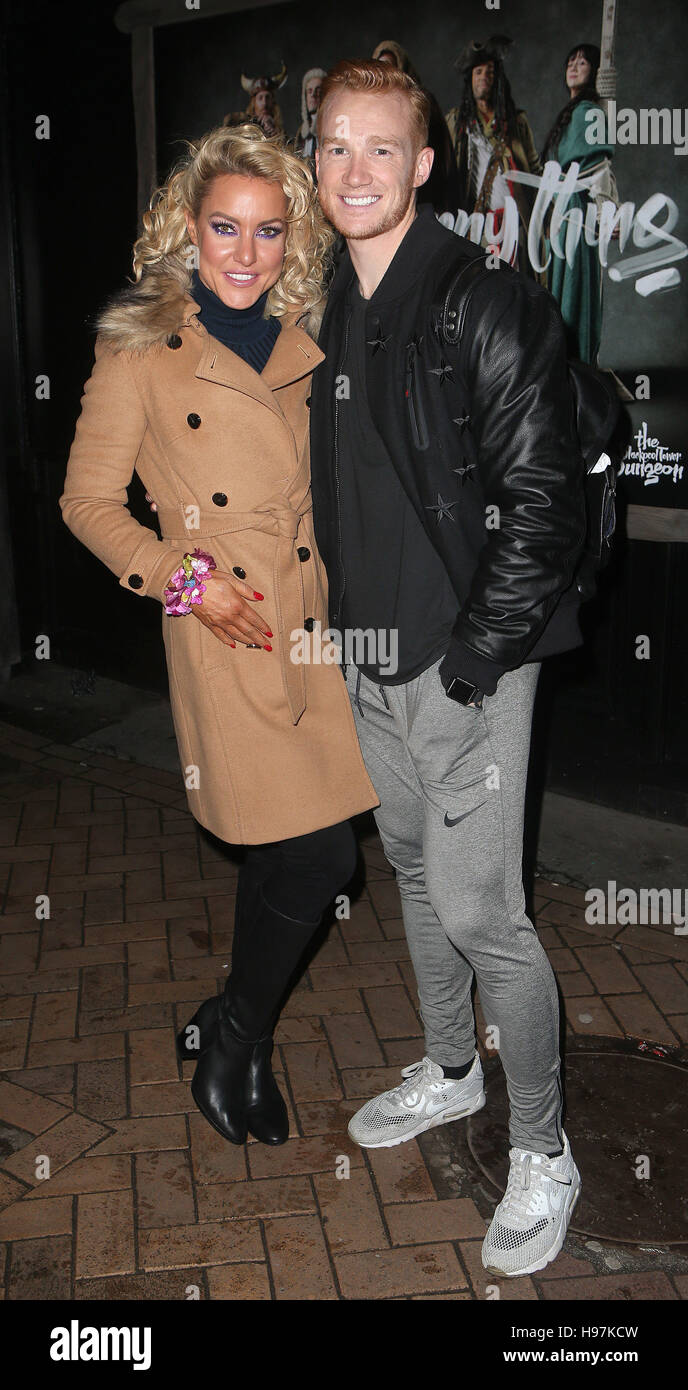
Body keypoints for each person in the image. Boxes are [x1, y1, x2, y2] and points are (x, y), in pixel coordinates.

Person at [310, 58, 586, 1278]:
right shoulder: (327, 299)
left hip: (467, 664)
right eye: (333, 147)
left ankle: (546, 1150)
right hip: (370, 664)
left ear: (424, 165)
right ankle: (449, 1067)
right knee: (416, 877)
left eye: (380, 149)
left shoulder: (483, 299)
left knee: (487, 914)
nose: (354, 171)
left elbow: (540, 505)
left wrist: (473, 664)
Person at [60, 123, 379, 1149]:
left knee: (308, 858)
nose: (245, 254)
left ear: (293, 241)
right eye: (224, 229)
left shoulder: (303, 339)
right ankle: (236, 1037)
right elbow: (87, 501)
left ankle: (226, 1026)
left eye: (269, 231)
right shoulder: (138, 347)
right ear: (186, 230)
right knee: (320, 854)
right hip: (228, 623)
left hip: (312, 622)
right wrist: (180, 579)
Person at [542, 44, 617, 363]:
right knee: (559, 286)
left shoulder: (589, 112)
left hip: (577, 211)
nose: (574, 66)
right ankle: (562, 365)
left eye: (583, 62)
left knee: (575, 287)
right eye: (570, 61)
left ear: (594, 72)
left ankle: (577, 366)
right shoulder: (573, 112)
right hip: (560, 210)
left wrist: (606, 211)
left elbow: (599, 169)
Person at [445, 36, 542, 275]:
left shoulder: (516, 122)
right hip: (476, 222)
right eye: (478, 72)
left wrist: (544, 216)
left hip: (513, 221)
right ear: (470, 80)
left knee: (515, 287)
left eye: (489, 72)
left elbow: (535, 171)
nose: (484, 78)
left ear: (498, 79)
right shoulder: (456, 122)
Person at [371, 41, 459, 216]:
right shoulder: (370, 108)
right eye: (380, 67)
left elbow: (441, 153)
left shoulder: (423, 102)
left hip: (424, 189)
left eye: (390, 66)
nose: (385, 73)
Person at [223, 65, 287, 136]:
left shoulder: (280, 132)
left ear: (273, 102)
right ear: (254, 103)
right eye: (260, 98)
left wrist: (275, 133)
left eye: (268, 97)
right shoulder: (240, 125)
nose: (264, 103)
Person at [292, 67, 326, 162]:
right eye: (309, 91)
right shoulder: (301, 133)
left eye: (318, 90)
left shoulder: (329, 128)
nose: (313, 95)